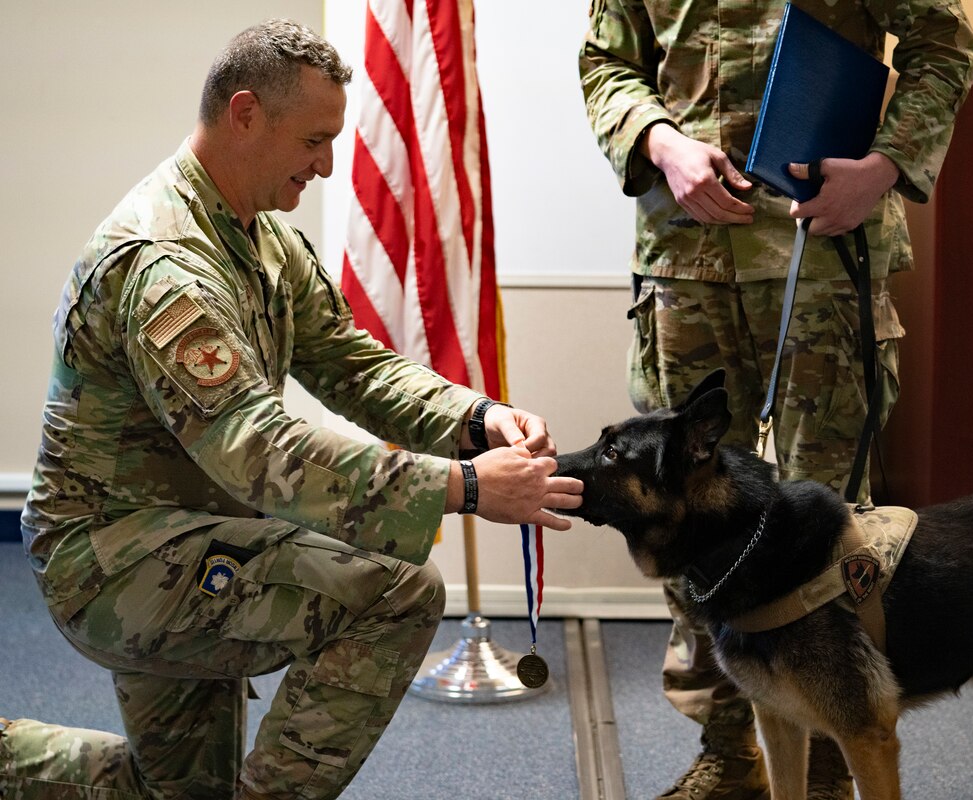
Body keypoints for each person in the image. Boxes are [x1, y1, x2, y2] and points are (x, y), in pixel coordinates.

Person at [0, 18, 582, 800]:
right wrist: (467, 486)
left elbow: (354, 368)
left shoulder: (264, 241)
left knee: (174, 792)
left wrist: (476, 419)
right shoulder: (166, 265)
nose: (330, 165)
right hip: (113, 559)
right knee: (397, 592)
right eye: (314, 139)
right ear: (245, 114)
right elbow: (255, 446)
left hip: (195, 535)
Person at [580, 2, 973, 798]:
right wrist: (663, 144)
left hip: (823, 253)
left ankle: (828, 768)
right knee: (683, 526)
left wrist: (885, 164)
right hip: (684, 262)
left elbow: (945, 42)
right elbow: (606, 65)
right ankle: (729, 757)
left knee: (830, 530)